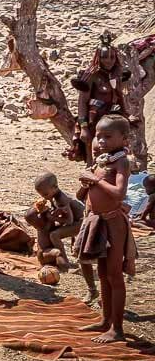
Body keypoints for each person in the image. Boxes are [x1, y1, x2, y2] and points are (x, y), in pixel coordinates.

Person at [73, 115, 137, 343]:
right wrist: (87, 182)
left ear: (124, 138)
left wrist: (96, 181)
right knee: (103, 274)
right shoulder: (103, 160)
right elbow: (86, 193)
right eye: (98, 136)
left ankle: (117, 328)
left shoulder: (122, 161)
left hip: (112, 223)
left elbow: (119, 193)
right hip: (97, 220)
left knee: (114, 275)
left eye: (108, 136)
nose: (101, 141)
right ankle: (105, 319)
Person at [24, 171, 96, 302]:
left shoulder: (61, 199)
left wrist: (52, 216)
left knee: (55, 235)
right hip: (77, 221)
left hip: (81, 222)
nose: (44, 197)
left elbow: (69, 220)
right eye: (41, 195)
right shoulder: (53, 197)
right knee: (53, 234)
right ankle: (64, 259)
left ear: (55, 187)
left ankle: (65, 263)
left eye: (45, 194)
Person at [69, 32, 132, 164]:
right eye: (104, 57)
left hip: (113, 115)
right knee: (93, 149)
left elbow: (119, 95)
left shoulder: (116, 74)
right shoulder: (91, 75)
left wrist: (126, 115)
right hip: (95, 118)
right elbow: (82, 102)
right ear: (98, 57)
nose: (109, 61)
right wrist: (84, 127)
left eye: (112, 58)